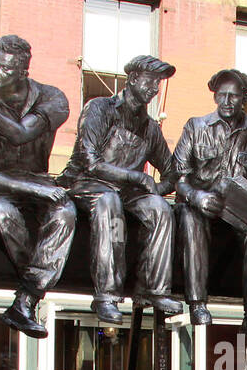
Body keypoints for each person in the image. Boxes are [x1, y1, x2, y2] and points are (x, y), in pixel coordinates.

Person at [0, 35, 76, 339]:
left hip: (36, 177)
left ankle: (24, 301)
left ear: (24, 71)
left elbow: (22, 134)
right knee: (2, 215)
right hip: (1, 183)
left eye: (7, 70)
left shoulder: (52, 99)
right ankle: (30, 292)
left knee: (65, 212)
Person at [61, 55, 181, 325]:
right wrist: (137, 177)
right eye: (150, 81)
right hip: (88, 183)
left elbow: (172, 172)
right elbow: (89, 161)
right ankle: (106, 295)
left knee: (161, 209)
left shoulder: (150, 128)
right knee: (108, 202)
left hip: (128, 193)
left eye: (158, 84)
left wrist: (156, 189)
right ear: (133, 79)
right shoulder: (100, 109)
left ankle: (156, 289)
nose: (154, 89)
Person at [173, 69, 247, 340]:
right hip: (201, 205)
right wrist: (197, 197)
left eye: (234, 96)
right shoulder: (196, 127)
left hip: (238, 209)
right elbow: (178, 177)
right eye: (222, 95)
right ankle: (197, 304)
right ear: (215, 96)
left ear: (244, 98)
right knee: (189, 217)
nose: (227, 101)